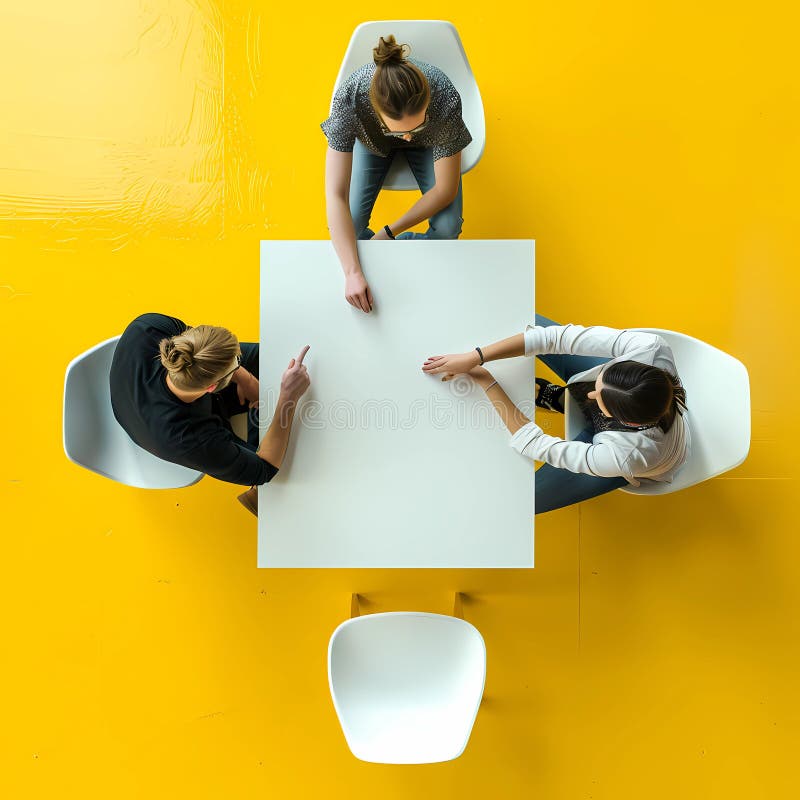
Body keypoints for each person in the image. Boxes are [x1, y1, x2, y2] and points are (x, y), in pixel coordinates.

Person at [422, 314, 689, 514]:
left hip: (622, 457)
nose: (592, 394)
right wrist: (476, 356)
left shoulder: (624, 457)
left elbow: (534, 442)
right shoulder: (650, 348)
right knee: (527, 318)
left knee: (523, 503)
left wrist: (486, 380)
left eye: (598, 398)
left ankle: (563, 398)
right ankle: (562, 397)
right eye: (600, 381)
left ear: (625, 421)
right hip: (630, 419)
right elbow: (554, 337)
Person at [322, 34, 472, 313]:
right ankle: (372, 273)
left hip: (431, 142)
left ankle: (393, 259)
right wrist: (352, 273)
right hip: (372, 144)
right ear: (375, 112)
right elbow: (335, 193)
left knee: (448, 228)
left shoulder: (444, 95)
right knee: (347, 230)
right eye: (398, 130)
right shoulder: (350, 99)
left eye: (414, 127)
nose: (406, 138)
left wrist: (389, 234)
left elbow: (445, 190)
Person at [110, 313, 310, 517]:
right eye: (236, 363)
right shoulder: (188, 438)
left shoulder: (149, 327)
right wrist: (288, 398)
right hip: (173, 430)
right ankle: (256, 489)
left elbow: (201, 354)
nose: (238, 362)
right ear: (212, 387)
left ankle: (257, 414)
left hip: (175, 394)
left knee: (274, 357)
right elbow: (264, 469)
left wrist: (246, 380)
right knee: (284, 467)